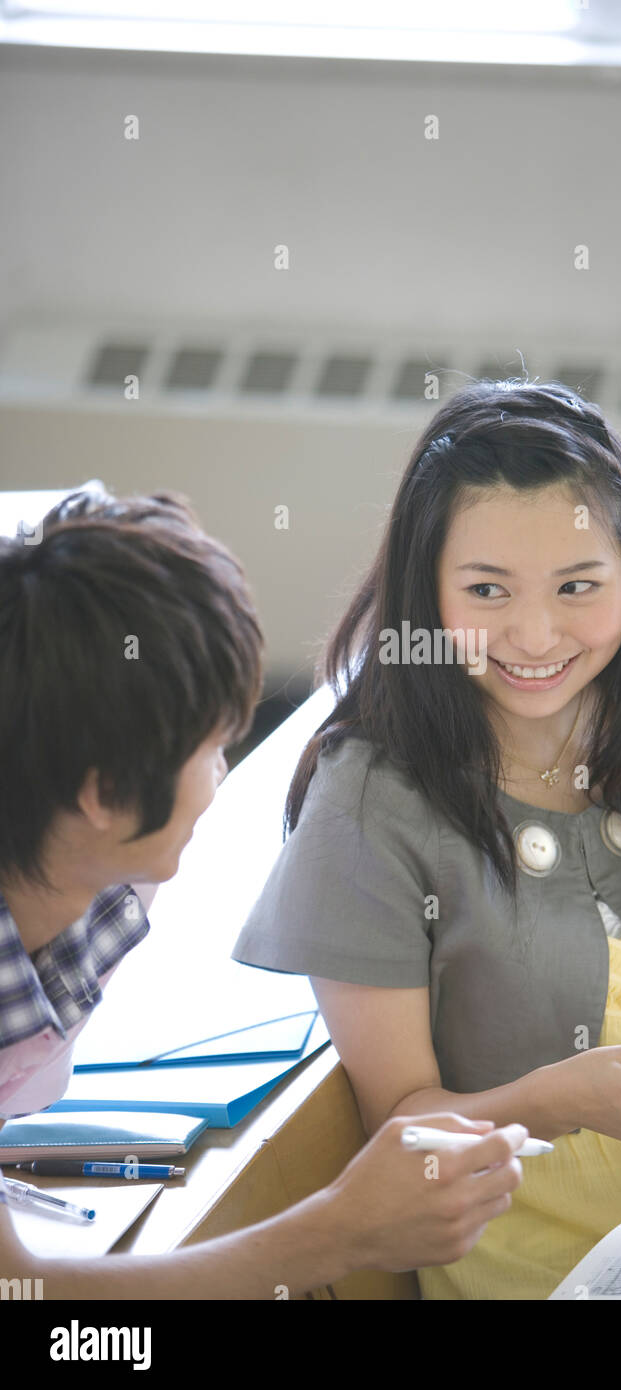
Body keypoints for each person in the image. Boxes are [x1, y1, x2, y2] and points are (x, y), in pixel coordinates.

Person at [232, 379, 621, 1299]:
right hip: (531, 1260)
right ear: (427, 588)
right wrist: (553, 1101)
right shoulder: (370, 804)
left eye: (578, 587)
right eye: (487, 590)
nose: (534, 633)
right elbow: (405, 1131)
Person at [0, 487, 526, 1301]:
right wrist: (341, 1231)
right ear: (102, 796)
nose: (223, 779)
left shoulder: (88, 869)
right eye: (212, 750)